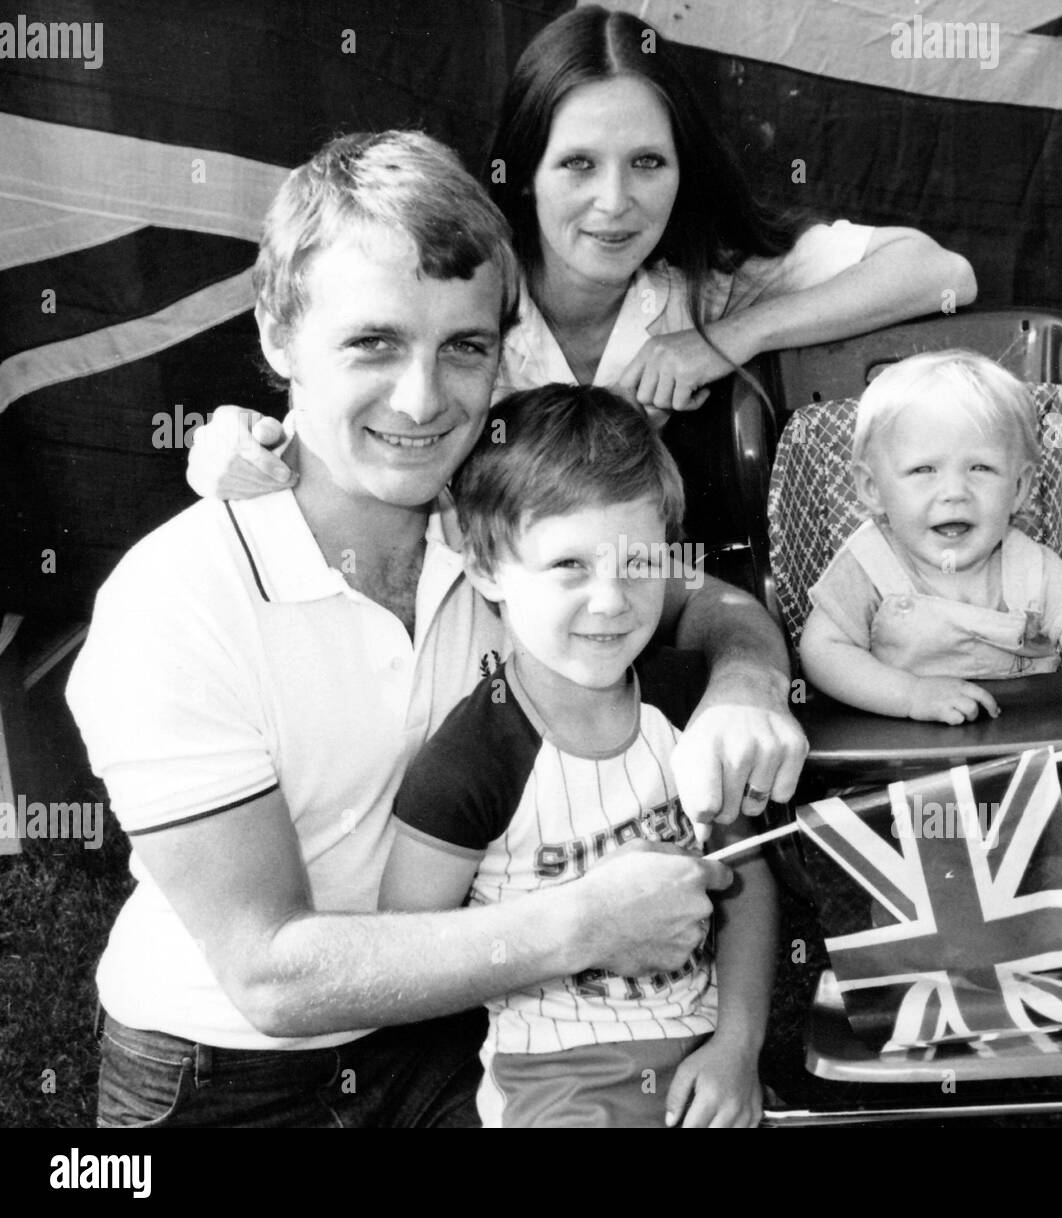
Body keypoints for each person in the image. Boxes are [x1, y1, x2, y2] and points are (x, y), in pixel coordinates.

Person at [67, 130, 804, 1128]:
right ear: (279, 336)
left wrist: (745, 688)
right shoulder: (173, 602)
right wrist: (581, 926)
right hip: (232, 1072)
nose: (422, 399)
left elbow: (706, 605)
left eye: (463, 347)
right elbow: (274, 974)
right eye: (373, 343)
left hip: (463, 1025)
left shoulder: (497, 534)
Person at [184, 4, 977, 494]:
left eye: (647, 163)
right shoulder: (459, 285)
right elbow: (326, 430)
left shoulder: (701, 280)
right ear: (523, 172)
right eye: (577, 164)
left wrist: (725, 339)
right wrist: (231, 448)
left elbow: (942, 274)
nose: (615, 202)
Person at [381, 385, 777, 1128]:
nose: (610, 601)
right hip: (558, 1080)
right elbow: (408, 953)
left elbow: (745, 878)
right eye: (569, 565)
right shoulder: (471, 762)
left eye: (639, 564)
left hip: (703, 1052)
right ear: (488, 570)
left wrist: (739, 1045)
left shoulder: (689, 709)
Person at [797, 350, 1062, 882]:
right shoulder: (867, 566)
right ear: (872, 488)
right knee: (896, 846)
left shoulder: (1032, 570)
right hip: (896, 776)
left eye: (981, 468)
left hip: (1028, 770)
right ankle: (916, 941)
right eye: (922, 470)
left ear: (1022, 486)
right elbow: (821, 653)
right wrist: (910, 695)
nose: (954, 491)